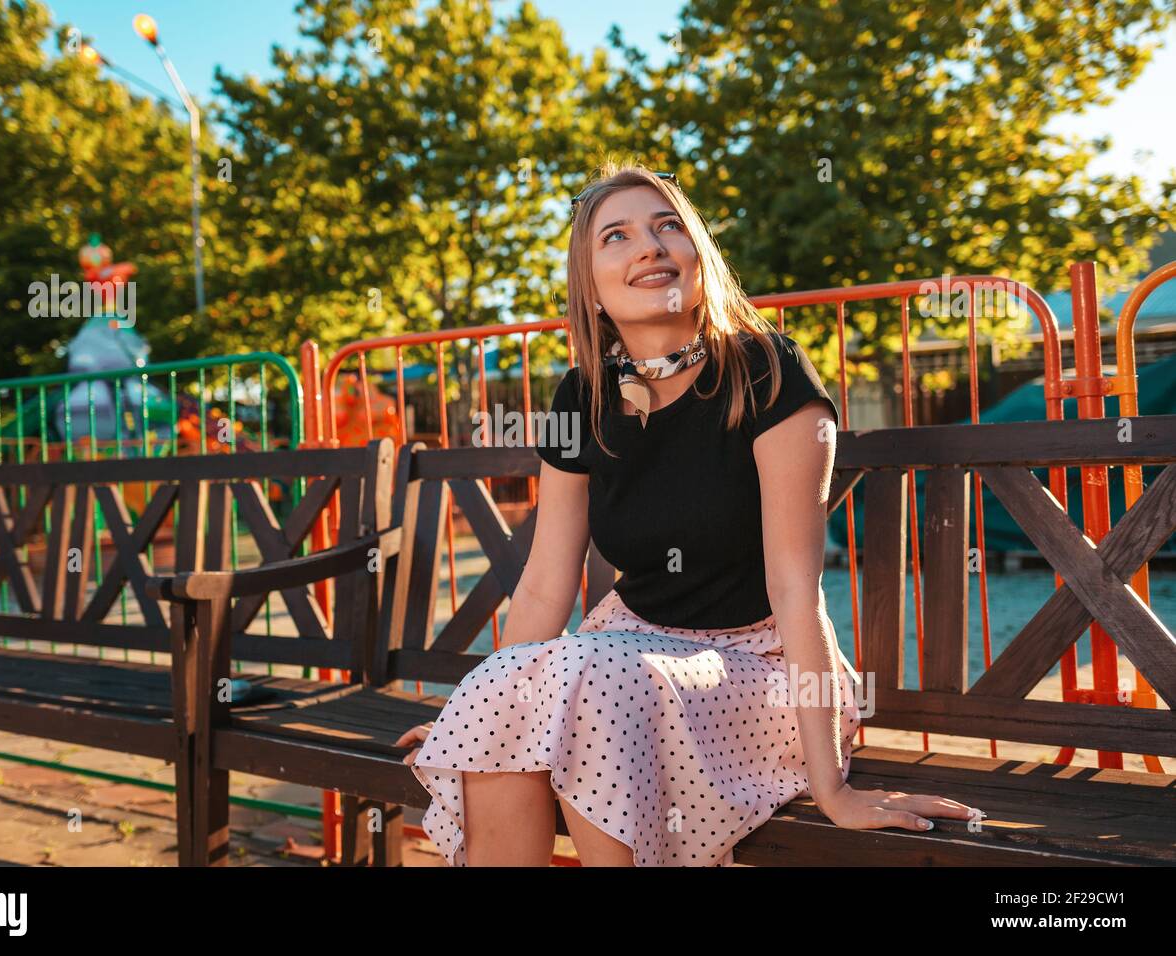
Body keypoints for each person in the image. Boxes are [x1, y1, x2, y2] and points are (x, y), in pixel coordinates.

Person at [394, 163, 973, 866]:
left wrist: (834, 790)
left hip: (755, 671)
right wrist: (490, 709)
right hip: (621, 659)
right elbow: (547, 582)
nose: (650, 245)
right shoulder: (582, 396)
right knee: (514, 692)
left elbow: (796, 589)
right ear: (592, 289)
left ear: (699, 257)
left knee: (595, 683)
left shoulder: (767, 372)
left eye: (668, 225)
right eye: (618, 235)